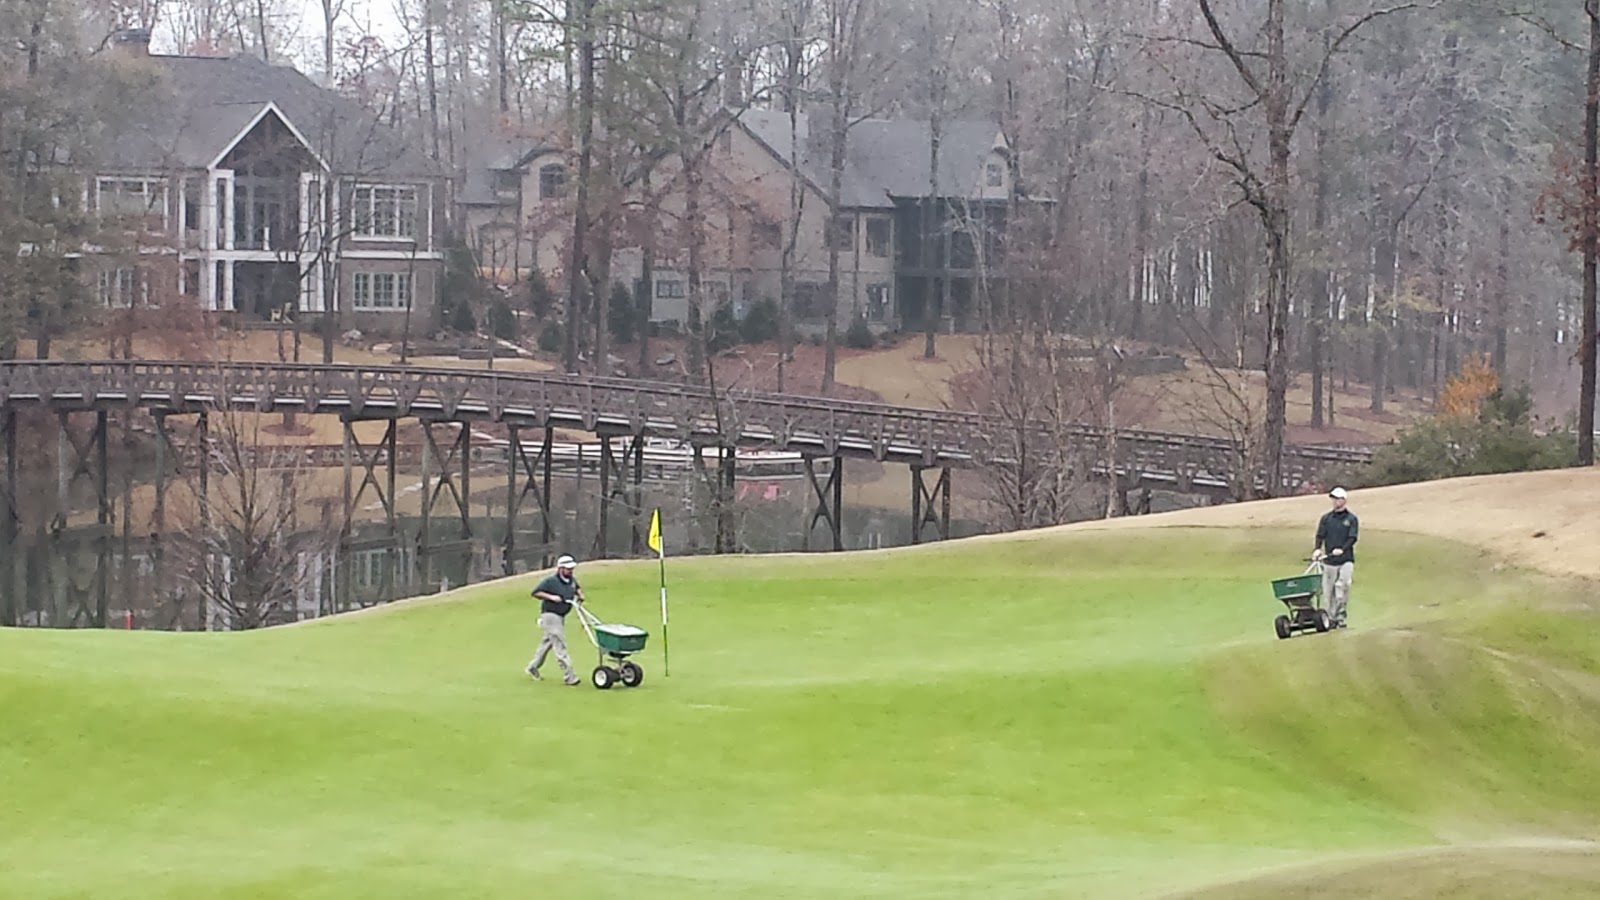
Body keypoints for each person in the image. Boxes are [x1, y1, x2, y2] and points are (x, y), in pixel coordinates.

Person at [526, 554, 585, 685]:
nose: (570, 571)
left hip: (561, 615)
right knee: (559, 644)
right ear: (560, 569)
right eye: (568, 569)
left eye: (571, 569)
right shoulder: (551, 581)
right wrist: (552, 597)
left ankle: (532, 667)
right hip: (550, 615)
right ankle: (569, 676)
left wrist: (580, 595)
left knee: (547, 643)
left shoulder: (571, 580)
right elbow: (536, 592)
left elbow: (577, 588)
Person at [1313, 487, 1359, 629]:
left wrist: (1342, 549)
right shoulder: (1326, 519)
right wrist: (1317, 549)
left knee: (1343, 586)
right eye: (1333, 499)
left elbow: (1352, 538)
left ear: (1344, 500)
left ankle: (1340, 617)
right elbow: (1320, 535)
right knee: (1329, 592)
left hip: (1346, 559)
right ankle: (1331, 619)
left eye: (1338, 499)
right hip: (1329, 561)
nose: (1335, 501)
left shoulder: (1351, 519)